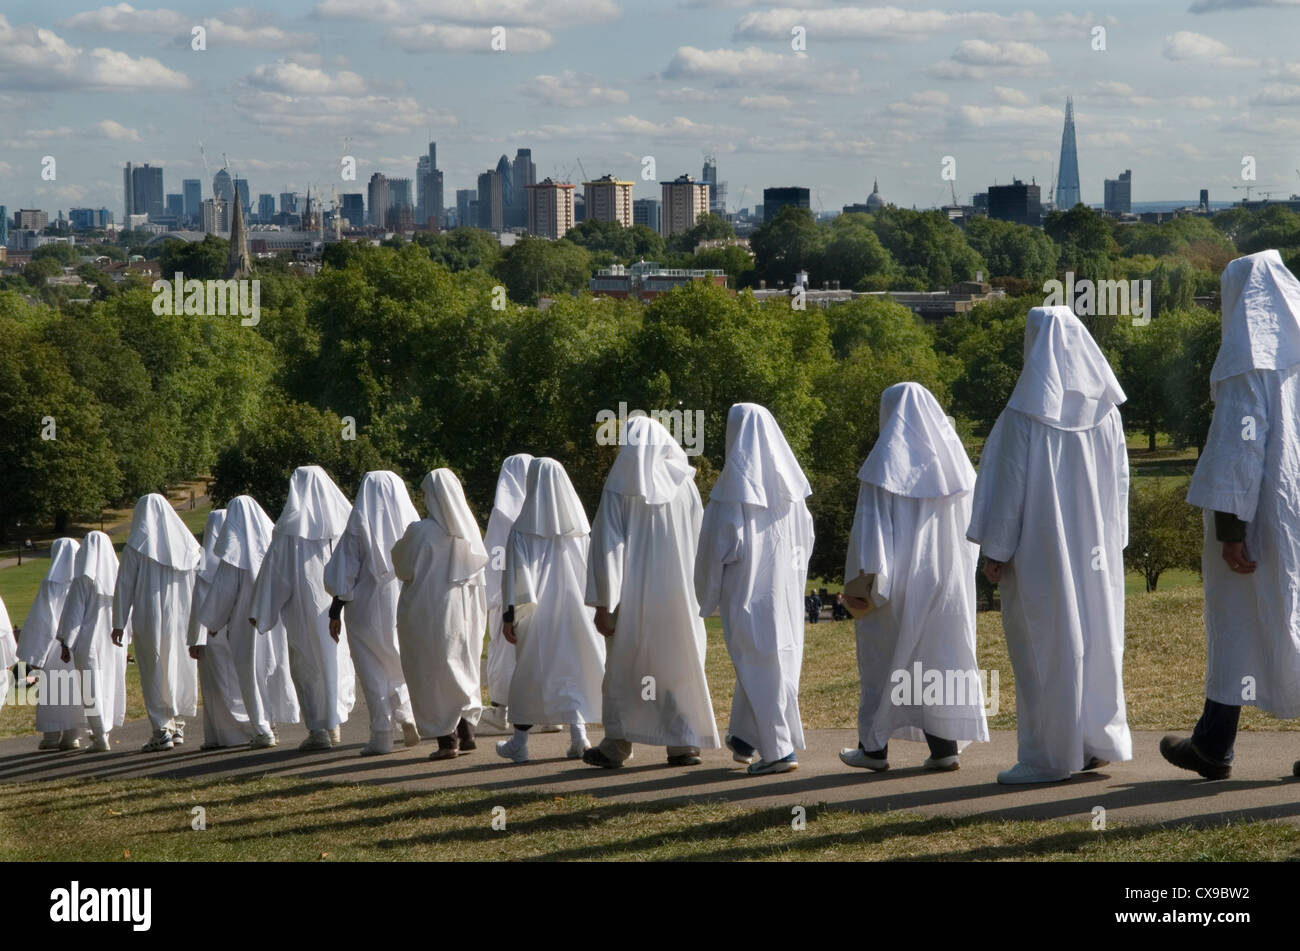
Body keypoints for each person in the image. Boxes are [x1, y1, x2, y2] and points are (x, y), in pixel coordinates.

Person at [968, 305, 1131, 784]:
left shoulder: (1023, 417)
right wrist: (1114, 539)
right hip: (1096, 551)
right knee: (1099, 639)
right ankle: (1094, 740)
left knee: (1047, 643)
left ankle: (1048, 756)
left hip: (1042, 552)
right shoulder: (1107, 414)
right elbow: (1119, 485)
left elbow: (1007, 487)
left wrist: (995, 550)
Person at [1163, 250, 1300, 780]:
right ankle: (1211, 740)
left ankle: (1214, 745)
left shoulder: (1248, 366)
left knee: (1240, 621)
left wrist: (1230, 529)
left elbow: (1236, 455)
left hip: (1263, 518)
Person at [839, 382, 989, 772]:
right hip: (949, 583)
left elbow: (870, 537)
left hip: (899, 585)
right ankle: (944, 748)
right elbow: (972, 531)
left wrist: (865, 585)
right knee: (937, 661)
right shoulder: (958, 469)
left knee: (882, 661)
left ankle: (873, 749)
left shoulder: (880, 469)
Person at [582, 415, 720, 769]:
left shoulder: (620, 486)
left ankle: (617, 745)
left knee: (626, 669)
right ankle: (683, 744)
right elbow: (701, 540)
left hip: (634, 600)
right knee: (676, 669)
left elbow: (606, 546)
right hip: (680, 600)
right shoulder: (684, 484)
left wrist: (602, 603)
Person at [695, 402, 815, 776]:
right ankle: (746, 736)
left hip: (746, 595)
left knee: (759, 665)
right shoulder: (792, 494)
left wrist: (705, 596)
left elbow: (713, 550)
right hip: (787, 596)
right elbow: (807, 540)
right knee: (774, 665)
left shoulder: (730, 495)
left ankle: (779, 752)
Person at [496, 457, 605, 763]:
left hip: (537, 615)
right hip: (576, 613)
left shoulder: (521, 530)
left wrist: (510, 616)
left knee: (530, 674)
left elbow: (515, 577)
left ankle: (520, 742)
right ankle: (578, 736)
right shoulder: (580, 530)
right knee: (571, 671)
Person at [250, 466, 357, 751]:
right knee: (335, 661)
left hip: (302, 610)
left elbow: (275, 575)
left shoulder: (289, 531)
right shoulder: (345, 523)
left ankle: (320, 729)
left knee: (308, 666)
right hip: (337, 607)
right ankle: (333, 723)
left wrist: (262, 610)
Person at [392, 469, 488, 760]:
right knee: (461, 663)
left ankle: (447, 740)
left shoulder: (420, 532)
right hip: (464, 611)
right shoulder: (468, 533)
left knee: (431, 671)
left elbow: (401, 565)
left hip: (428, 610)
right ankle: (466, 729)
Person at [325, 471, 421, 756]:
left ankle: (381, 734)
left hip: (365, 606)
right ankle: (408, 713)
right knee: (401, 660)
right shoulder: (413, 524)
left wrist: (334, 610)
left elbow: (342, 575)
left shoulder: (357, 524)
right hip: (404, 600)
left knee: (371, 669)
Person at [197, 495, 299, 749]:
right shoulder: (272, 542)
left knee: (250, 674)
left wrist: (213, 621)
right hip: (273, 621)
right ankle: (271, 721)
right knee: (273, 669)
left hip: (246, 623)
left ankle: (262, 728)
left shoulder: (235, 554)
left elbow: (224, 591)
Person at [113, 494, 202, 752]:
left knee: (154, 668)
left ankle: (161, 728)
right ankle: (177, 724)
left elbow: (124, 586)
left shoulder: (136, 548)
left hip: (150, 616)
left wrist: (119, 622)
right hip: (182, 616)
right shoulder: (187, 545)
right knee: (178, 665)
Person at [187, 510, 254, 750]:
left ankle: (234, 733)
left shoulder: (206, 565)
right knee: (230, 683)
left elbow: (199, 604)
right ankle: (218, 734)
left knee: (220, 686)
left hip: (212, 633)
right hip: (235, 631)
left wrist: (195, 638)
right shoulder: (241, 559)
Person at [56, 531, 125, 752]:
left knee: (91, 688)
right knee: (107, 685)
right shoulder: (118, 577)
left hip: (89, 640)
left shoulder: (83, 579)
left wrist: (66, 641)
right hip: (113, 642)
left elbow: (73, 613)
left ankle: (99, 735)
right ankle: (103, 732)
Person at [17, 538, 85, 750]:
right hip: (75, 645)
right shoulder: (83, 582)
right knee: (76, 689)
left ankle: (51, 735)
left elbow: (42, 620)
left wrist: (35, 654)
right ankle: (73, 735)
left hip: (53, 647)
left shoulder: (50, 584)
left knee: (52, 691)